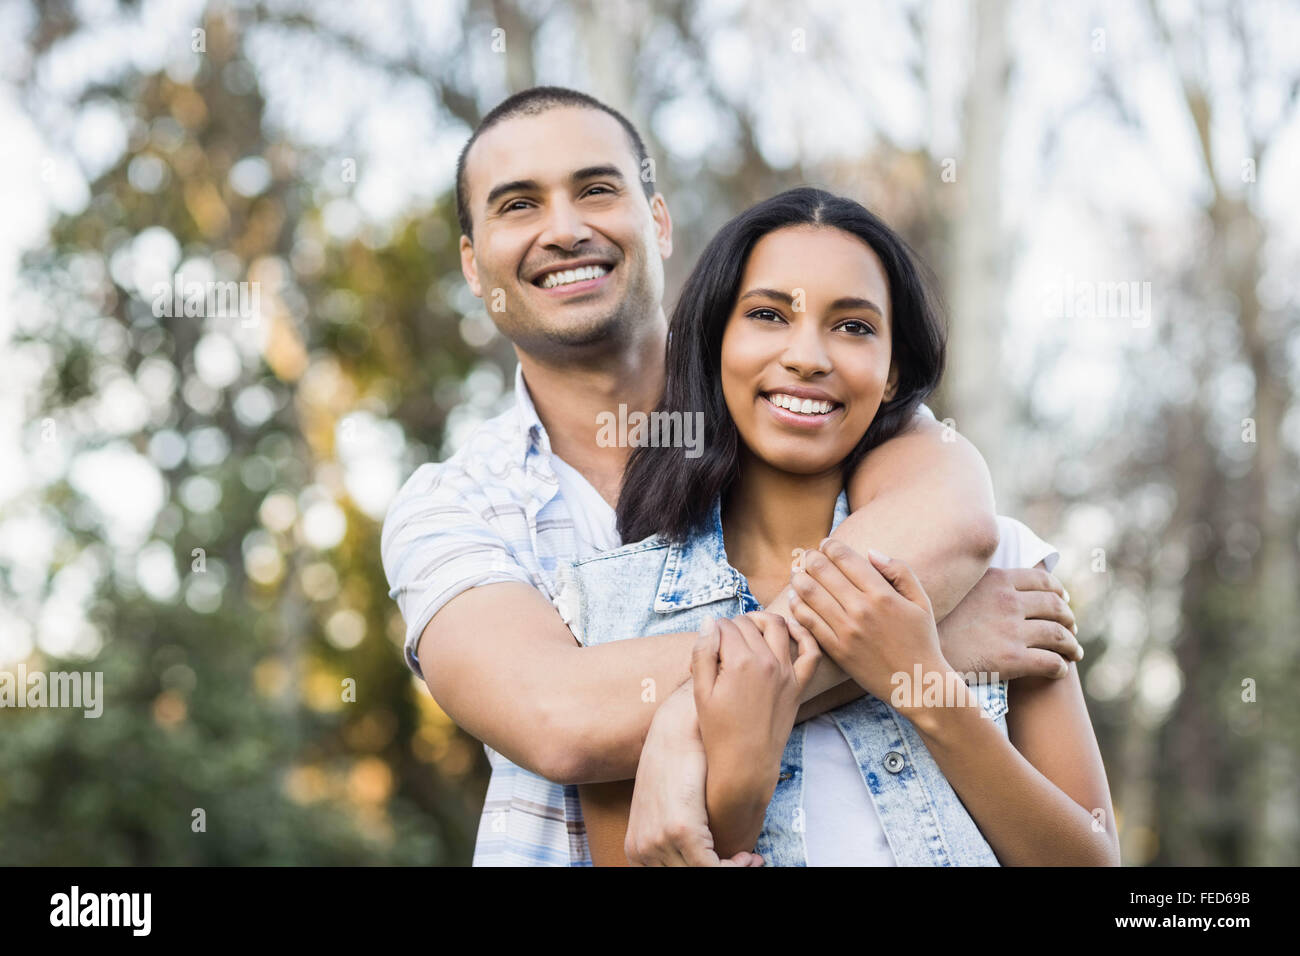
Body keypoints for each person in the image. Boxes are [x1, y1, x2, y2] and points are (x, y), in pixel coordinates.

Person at [381, 86, 1081, 866]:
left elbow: (956, 511)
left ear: (659, 221)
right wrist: (927, 646)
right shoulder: (452, 508)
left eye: (597, 189)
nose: (566, 228)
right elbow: (564, 721)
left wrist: (691, 719)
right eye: (518, 205)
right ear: (475, 267)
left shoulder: (795, 400)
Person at [569, 188, 1119, 865]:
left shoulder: (998, 566)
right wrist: (740, 774)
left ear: (893, 375)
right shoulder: (620, 604)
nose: (808, 357)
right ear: (716, 343)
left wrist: (924, 681)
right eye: (769, 315)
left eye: (853, 326)